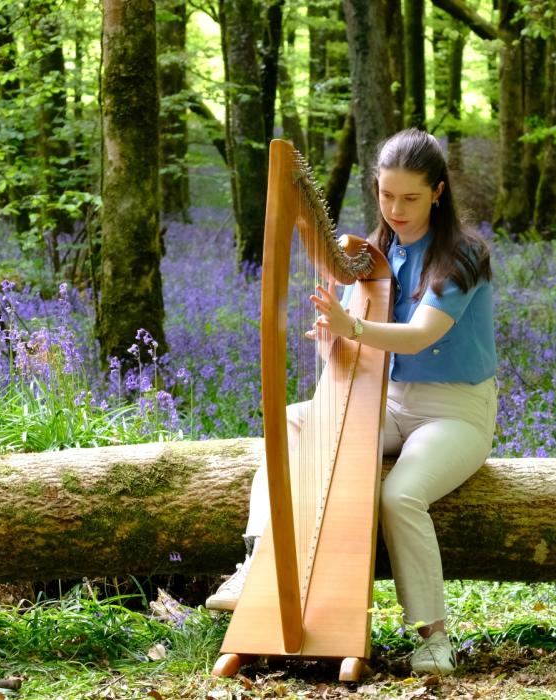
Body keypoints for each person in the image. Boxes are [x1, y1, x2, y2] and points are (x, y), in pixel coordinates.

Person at [205, 128, 497, 677]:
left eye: (410, 197)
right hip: (386, 401)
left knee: (401, 495)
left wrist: (355, 326)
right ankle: (253, 561)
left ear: (437, 192)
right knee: (290, 421)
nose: (395, 209)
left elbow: (419, 335)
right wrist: (333, 335)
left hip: (454, 409)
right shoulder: (367, 255)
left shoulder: (464, 254)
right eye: (386, 196)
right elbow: (351, 337)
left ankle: (434, 637)